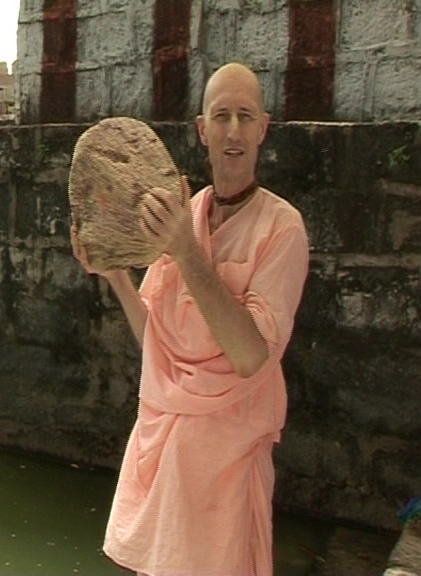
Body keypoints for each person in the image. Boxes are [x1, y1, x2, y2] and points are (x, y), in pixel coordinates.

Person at [71, 62, 310, 575]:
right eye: (221, 115)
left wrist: (184, 249)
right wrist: (114, 275)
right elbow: (154, 339)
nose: (233, 130)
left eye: (245, 116)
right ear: (202, 130)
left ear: (263, 128)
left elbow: (250, 356)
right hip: (160, 455)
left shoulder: (282, 228)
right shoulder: (187, 211)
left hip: (221, 472)